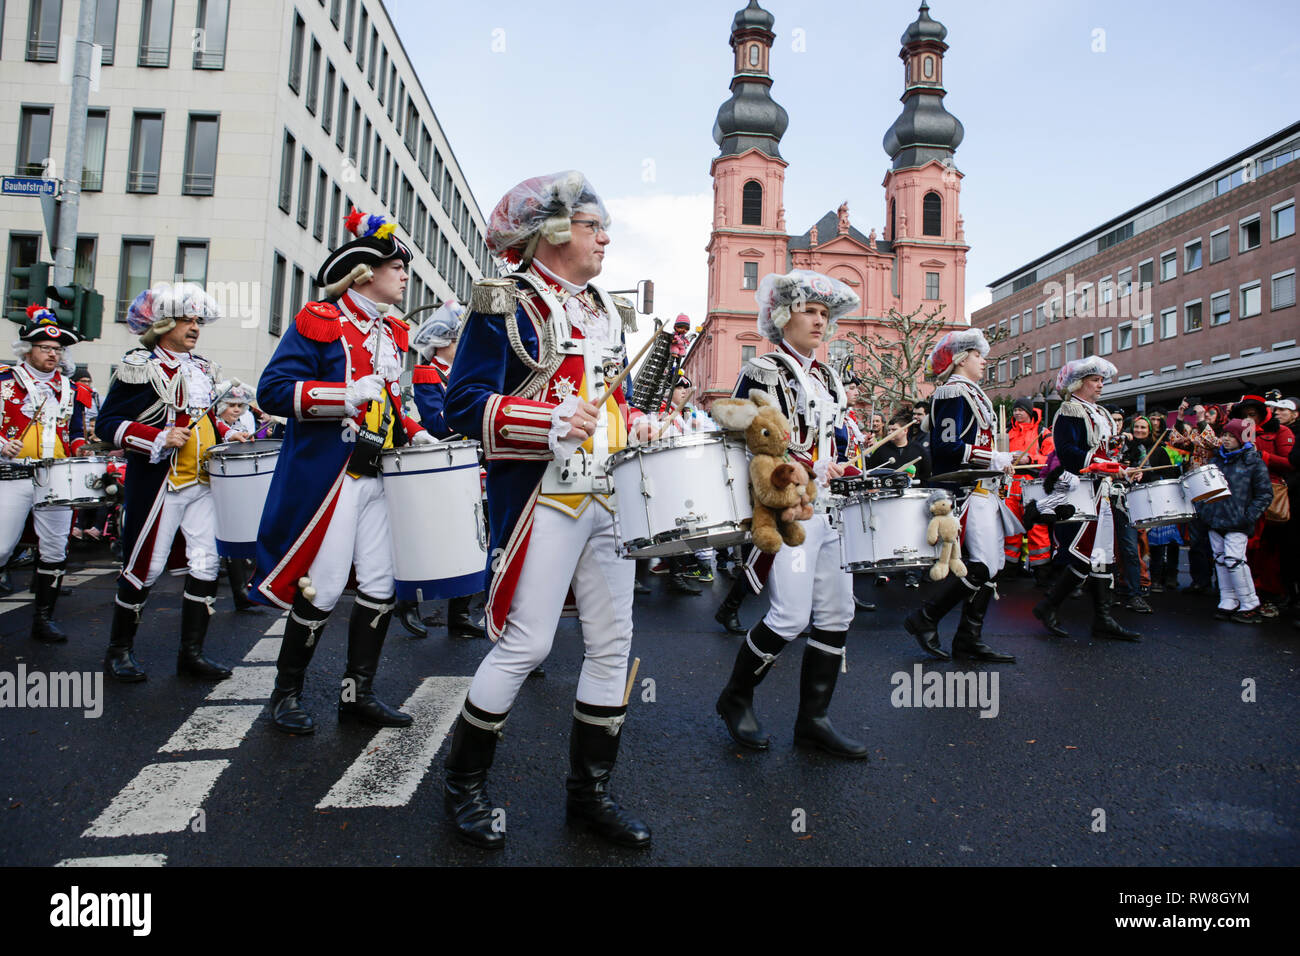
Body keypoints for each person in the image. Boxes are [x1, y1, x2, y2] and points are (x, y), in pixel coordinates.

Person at [441, 171, 651, 849]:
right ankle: (462, 786)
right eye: (594, 227)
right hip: (542, 497)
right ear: (555, 233)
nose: (605, 237)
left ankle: (590, 796)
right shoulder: (502, 303)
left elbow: (608, 399)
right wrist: (546, 419)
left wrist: (637, 423)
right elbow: (462, 404)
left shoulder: (606, 310)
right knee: (527, 643)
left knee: (613, 647)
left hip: (608, 493)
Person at [250, 208, 437, 734]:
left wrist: (416, 433)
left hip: (380, 471)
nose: (405, 275)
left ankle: (358, 694)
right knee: (323, 587)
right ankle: (285, 695)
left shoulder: (393, 332)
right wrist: (339, 397)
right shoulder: (320, 320)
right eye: (397, 266)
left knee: (380, 584)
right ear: (366, 272)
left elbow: (392, 400)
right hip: (333, 477)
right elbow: (272, 392)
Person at [712, 269, 869, 759]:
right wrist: (798, 468)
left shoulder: (827, 377)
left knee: (838, 613)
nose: (821, 321)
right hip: (787, 511)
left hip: (829, 508)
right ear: (784, 316)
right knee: (790, 616)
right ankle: (735, 697)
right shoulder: (763, 369)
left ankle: (814, 721)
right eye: (811, 311)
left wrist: (837, 463)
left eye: (826, 314)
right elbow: (747, 440)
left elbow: (830, 439)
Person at [97, 284, 251, 681]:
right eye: (186, 319)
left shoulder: (202, 368)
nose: (194, 327)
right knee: (144, 567)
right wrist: (156, 438)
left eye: (198, 320)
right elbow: (107, 425)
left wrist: (221, 436)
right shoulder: (139, 364)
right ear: (163, 322)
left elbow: (201, 421)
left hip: (202, 484)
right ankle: (119, 652)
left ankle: (191, 654)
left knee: (205, 564)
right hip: (162, 483)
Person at [903, 329, 1019, 663]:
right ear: (962, 358)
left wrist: (999, 460)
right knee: (981, 567)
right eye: (979, 355)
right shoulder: (953, 392)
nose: (984, 361)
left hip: (983, 490)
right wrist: (992, 458)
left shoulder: (970, 392)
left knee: (992, 567)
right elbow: (947, 448)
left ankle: (968, 638)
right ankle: (925, 617)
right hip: (967, 491)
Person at [1031, 358, 1143, 642]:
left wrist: (1119, 467)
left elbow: (1106, 452)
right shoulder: (1070, 409)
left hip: (1101, 489)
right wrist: (1102, 465)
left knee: (1103, 555)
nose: (1101, 384)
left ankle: (1103, 619)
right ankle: (1048, 606)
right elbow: (1067, 452)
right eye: (1095, 380)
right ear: (1079, 384)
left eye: (1101, 380)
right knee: (1081, 553)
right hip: (1078, 489)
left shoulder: (1101, 412)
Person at [0, 307, 92, 642]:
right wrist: (1, 444)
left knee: (55, 548)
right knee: (1, 546)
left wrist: (82, 448)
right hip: (12, 474)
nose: (52, 354)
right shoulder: (3, 382)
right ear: (28, 349)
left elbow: (77, 431)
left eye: (57, 349)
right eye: (45, 348)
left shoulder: (71, 390)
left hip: (57, 477)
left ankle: (43, 618)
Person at [400, 298, 487, 639]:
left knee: (473, 535)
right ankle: (406, 602)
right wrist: (473, 415)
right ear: (444, 342)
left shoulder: (461, 375)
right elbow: (435, 423)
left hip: (466, 461)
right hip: (435, 462)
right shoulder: (426, 373)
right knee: (426, 535)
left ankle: (461, 613)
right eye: (459, 340)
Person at [1195, 418, 1273, 623]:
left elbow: (1265, 494)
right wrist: (1204, 510)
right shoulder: (1216, 461)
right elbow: (1205, 489)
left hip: (1238, 521)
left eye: (1232, 436)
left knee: (1234, 560)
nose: (1226, 439)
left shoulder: (1253, 462)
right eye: (1225, 435)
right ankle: (1228, 599)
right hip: (1215, 519)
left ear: (1242, 438)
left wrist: (1248, 516)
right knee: (1221, 560)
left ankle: (1250, 603)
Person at [1002, 396, 1054, 584]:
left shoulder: (1043, 432)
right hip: (1010, 484)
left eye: (1021, 410)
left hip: (1033, 485)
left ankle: (1042, 572)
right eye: (1015, 410)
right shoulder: (1006, 431)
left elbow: (1051, 459)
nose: (1017, 413)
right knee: (1011, 528)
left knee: (1037, 529)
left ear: (1029, 411)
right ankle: (1010, 568)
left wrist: (1030, 459)